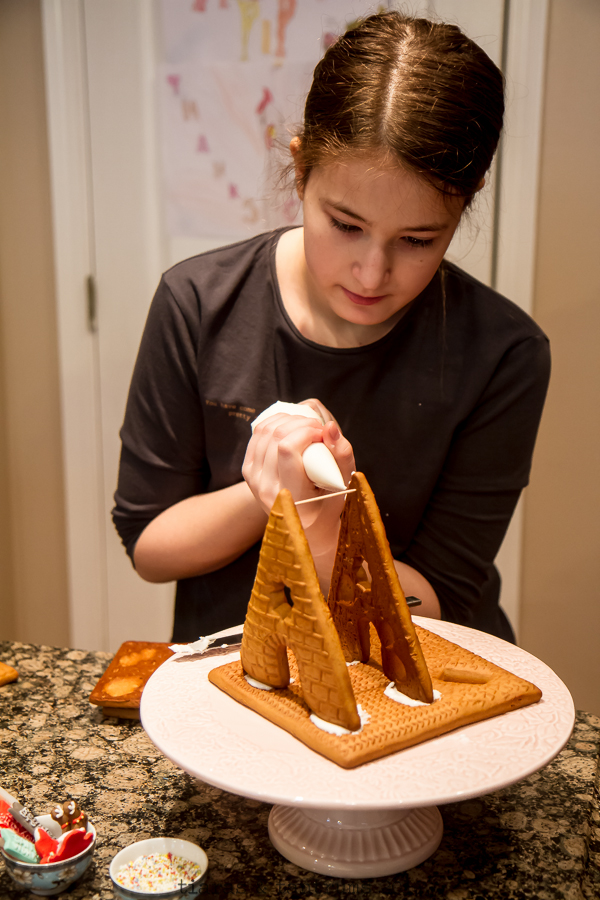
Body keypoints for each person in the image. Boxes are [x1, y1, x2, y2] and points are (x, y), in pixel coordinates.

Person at [112, 12, 550, 643]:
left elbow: (441, 596)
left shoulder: (505, 354)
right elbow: (150, 546)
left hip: (419, 680)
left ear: (468, 199)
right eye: (346, 224)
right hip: (238, 674)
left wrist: (319, 516)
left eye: (418, 240)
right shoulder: (199, 303)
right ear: (300, 170)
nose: (372, 273)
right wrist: (266, 491)